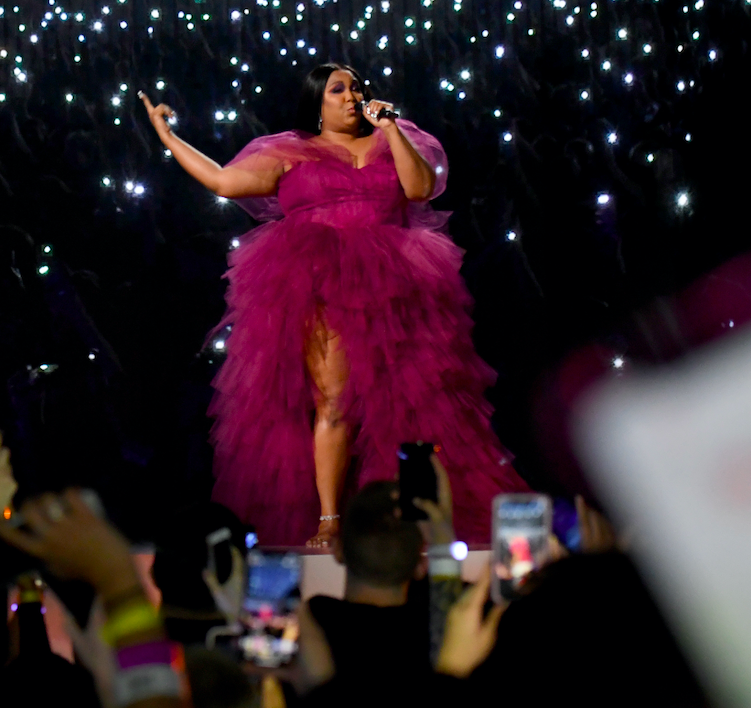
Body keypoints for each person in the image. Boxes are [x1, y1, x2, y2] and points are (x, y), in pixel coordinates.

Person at [139, 62, 529, 547]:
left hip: (401, 287)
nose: (351, 96)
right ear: (317, 103)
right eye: (338, 89)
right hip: (324, 283)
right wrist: (167, 136)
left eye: (356, 88)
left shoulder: (394, 137)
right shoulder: (291, 151)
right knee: (335, 402)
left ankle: (417, 516)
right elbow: (223, 181)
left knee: (417, 404)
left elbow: (419, 189)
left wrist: (390, 128)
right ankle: (330, 521)